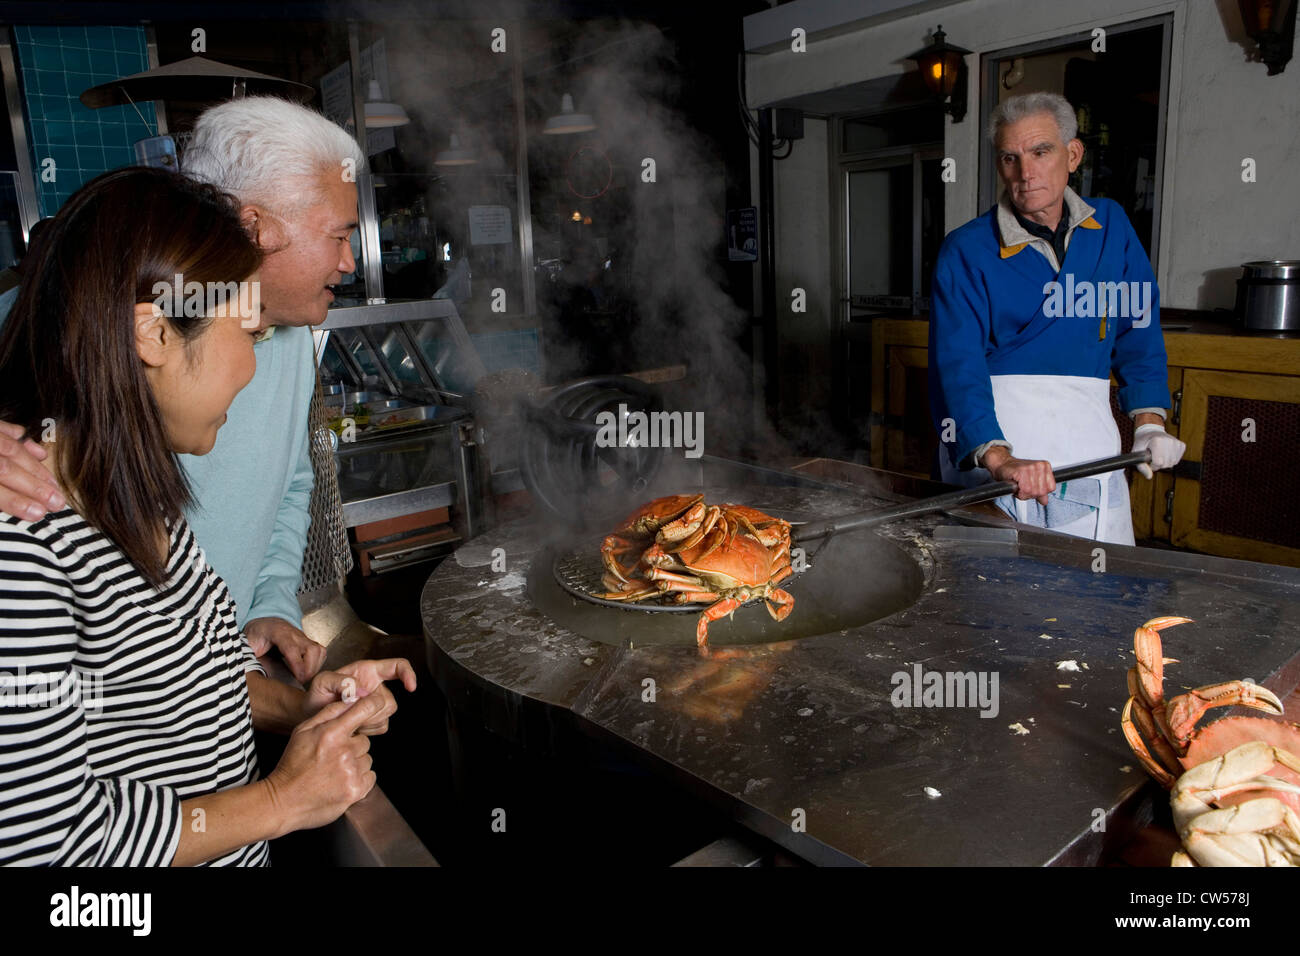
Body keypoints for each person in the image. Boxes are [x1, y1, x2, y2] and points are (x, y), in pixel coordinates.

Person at [0, 167, 415, 866]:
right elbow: (43, 846)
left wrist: (308, 706)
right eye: (245, 334)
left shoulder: (134, 495)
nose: (253, 369)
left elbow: (199, 681)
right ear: (153, 333)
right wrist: (282, 800)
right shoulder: (26, 539)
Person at [0, 97, 366, 681]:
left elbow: (292, 483)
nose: (350, 262)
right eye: (339, 235)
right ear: (253, 227)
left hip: (219, 673)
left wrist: (269, 601)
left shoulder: (297, 331)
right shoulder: (66, 308)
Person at [928, 92, 1186, 544]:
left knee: (1098, 592)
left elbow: (1137, 333)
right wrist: (999, 458)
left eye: (1040, 152)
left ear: (1073, 154)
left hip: (1091, 446)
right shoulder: (965, 250)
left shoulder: (1112, 227)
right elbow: (957, 364)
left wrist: (1148, 424)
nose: (1025, 174)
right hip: (998, 444)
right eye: (1010, 158)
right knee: (995, 600)